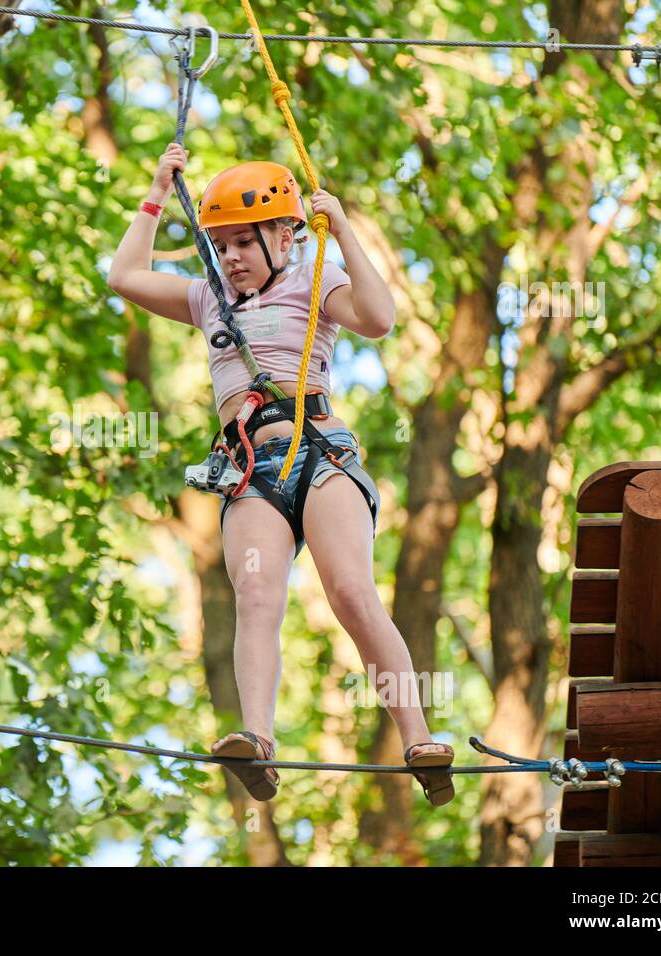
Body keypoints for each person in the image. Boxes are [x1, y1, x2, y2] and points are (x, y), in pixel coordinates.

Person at [106, 143, 454, 805]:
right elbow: (125, 276)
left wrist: (344, 229)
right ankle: (257, 743)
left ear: (283, 236)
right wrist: (156, 190)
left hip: (320, 453)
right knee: (256, 592)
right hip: (250, 468)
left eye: (244, 242)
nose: (230, 256)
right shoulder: (208, 297)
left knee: (351, 591)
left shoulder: (313, 278)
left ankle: (418, 736)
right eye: (222, 244)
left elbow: (379, 320)